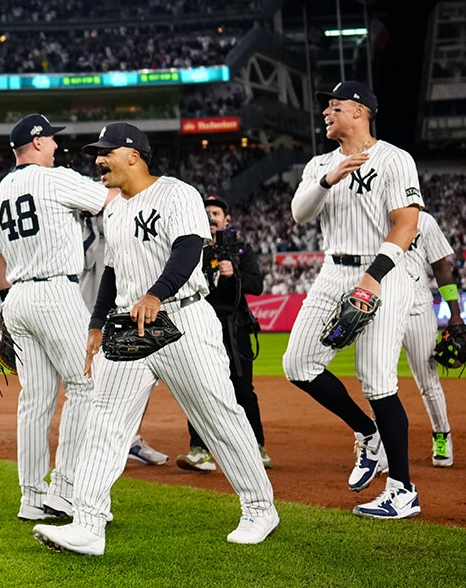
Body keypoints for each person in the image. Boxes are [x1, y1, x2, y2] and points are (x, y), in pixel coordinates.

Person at [34, 122, 276, 556]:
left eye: (106, 152)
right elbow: (110, 271)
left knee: (217, 415)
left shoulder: (177, 193)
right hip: (129, 326)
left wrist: (156, 293)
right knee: (104, 421)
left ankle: (259, 507)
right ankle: (87, 523)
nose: (98, 160)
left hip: (181, 317)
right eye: (96, 153)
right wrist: (95, 324)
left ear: (134, 155)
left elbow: (187, 249)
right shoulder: (112, 209)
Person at [283, 80, 423, 519]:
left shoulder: (394, 159)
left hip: (384, 269)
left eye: (335, 106)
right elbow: (299, 213)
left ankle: (402, 489)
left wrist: (372, 277)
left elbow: (406, 224)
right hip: (334, 268)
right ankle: (368, 432)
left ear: (360, 111)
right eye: (326, 106)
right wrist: (328, 178)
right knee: (298, 364)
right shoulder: (321, 163)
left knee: (376, 376)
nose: (326, 112)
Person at [0, 114, 113, 522]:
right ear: (37, 143)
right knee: (85, 386)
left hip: (18, 297)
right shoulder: (56, 178)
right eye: (52, 139)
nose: (57, 145)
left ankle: (31, 497)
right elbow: (108, 201)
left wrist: (9, 303)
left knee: (34, 402)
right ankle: (65, 488)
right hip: (56, 291)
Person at [176, 195, 273, 472]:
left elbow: (257, 286)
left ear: (226, 219)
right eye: (205, 212)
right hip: (199, 326)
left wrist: (236, 273)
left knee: (243, 389)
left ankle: (256, 446)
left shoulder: (241, 250)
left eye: (215, 213)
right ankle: (199, 450)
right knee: (198, 387)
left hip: (235, 326)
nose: (210, 217)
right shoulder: (190, 248)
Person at [80, 212, 170, 468]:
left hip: (123, 315)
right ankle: (95, 447)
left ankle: (129, 439)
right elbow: (86, 260)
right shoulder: (86, 226)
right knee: (93, 387)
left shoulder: (127, 225)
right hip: (90, 315)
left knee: (140, 383)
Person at [400, 211, 462, 467]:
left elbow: (440, 267)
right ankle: (377, 445)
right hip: (380, 309)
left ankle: (442, 435)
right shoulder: (370, 215)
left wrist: (455, 313)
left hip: (418, 308)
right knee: (375, 380)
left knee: (428, 380)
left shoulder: (424, 221)